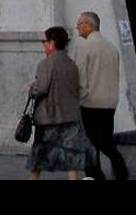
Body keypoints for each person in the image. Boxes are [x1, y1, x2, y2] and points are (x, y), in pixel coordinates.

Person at [73, 11, 129, 180]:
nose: (77, 28)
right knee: (106, 141)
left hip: (91, 103)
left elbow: (81, 78)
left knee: (91, 144)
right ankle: (121, 172)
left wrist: (79, 99)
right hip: (109, 102)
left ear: (90, 25)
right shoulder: (111, 48)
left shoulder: (84, 48)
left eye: (80, 24)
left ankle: (96, 176)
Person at [26, 26, 87, 180]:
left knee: (39, 152)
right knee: (71, 154)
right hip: (71, 115)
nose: (44, 45)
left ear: (52, 43)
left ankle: (33, 179)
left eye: (45, 41)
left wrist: (32, 87)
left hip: (49, 117)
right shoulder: (71, 64)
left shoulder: (46, 64)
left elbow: (41, 88)